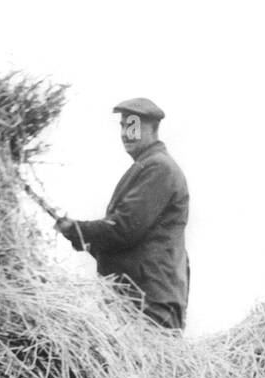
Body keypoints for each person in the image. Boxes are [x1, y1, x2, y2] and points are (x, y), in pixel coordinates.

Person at [55, 98, 189, 330]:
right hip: (137, 298)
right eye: (123, 126)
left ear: (153, 128)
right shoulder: (148, 166)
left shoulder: (159, 168)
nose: (127, 133)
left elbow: (126, 228)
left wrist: (78, 230)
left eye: (133, 125)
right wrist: (81, 236)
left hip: (149, 301)